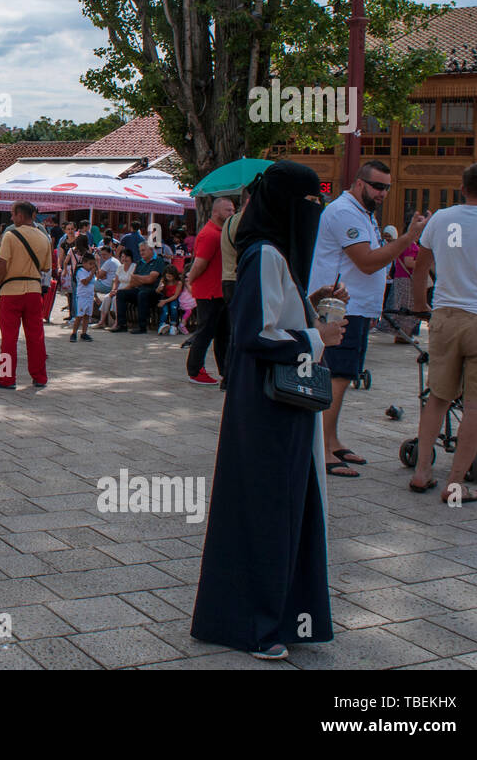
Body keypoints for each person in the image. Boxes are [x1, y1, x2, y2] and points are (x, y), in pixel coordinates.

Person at [191, 161, 346, 660]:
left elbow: (271, 316)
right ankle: (255, 624)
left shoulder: (270, 254)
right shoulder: (263, 255)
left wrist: (310, 302)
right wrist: (315, 335)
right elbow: (255, 334)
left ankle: (276, 617)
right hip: (268, 410)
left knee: (283, 507)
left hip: (277, 408)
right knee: (267, 510)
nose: (314, 212)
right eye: (309, 203)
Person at [306, 161, 427, 478]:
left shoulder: (362, 213)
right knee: (335, 377)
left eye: (387, 187)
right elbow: (367, 263)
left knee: (343, 376)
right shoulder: (346, 212)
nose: (383, 193)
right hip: (342, 307)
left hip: (355, 308)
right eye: (378, 186)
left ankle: (331, 440)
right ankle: (321, 448)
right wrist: (409, 237)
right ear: (359, 183)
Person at [409, 163, 477, 504]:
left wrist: (421, 306)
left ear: (462, 188)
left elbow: (420, 266)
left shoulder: (441, 219)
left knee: (438, 396)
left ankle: (422, 472)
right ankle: (455, 484)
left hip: (446, 314)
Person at [0, 201, 51, 389]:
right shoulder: (44, 238)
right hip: (34, 290)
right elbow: (46, 267)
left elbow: (1, 265)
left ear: (19, 215)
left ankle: (7, 378)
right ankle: (40, 376)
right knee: (36, 336)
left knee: (8, 337)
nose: (11, 218)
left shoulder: (10, 236)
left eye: (12, 214)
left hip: (11, 291)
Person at [186, 197, 235, 385]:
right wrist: (190, 280)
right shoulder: (211, 234)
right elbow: (200, 263)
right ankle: (195, 370)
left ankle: (225, 370)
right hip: (209, 292)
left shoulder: (221, 233)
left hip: (220, 291)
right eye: (228, 210)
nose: (231, 213)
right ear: (216, 212)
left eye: (232, 210)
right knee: (206, 332)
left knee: (223, 334)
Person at [111, 241, 167, 334]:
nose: (141, 253)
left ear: (151, 250)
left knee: (142, 294)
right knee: (121, 293)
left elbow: (151, 280)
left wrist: (138, 278)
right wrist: (142, 279)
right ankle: (122, 325)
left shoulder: (158, 260)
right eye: (140, 251)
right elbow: (133, 281)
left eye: (143, 250)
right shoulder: (140, 263)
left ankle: (142, 327)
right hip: (141, 289)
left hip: (154, 292)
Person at [68, 253, 97, 343]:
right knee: (79, 315)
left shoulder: (90, 273)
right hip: (82, 297)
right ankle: (74, 333)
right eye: (90, 264)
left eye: (93, 264)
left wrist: (96, 297)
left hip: (90, 296)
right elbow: (85, 282)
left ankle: (84, 333)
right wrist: (92, 274)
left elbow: (93, 285)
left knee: (87, 315)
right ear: (84, 263)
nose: (92, 266)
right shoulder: (80, 271)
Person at [155, 266, 182, 335]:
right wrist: (159, 288)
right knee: (165, 310)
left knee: (174, 307)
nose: (168, 278)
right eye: (167, 276)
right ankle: (162, 325)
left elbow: (175, 296)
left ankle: (173, 325)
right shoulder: (163, 280)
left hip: (173, 298)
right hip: (164, 297)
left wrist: (165, 301)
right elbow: (157, 291)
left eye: (170, 277)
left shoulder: (179, 283)